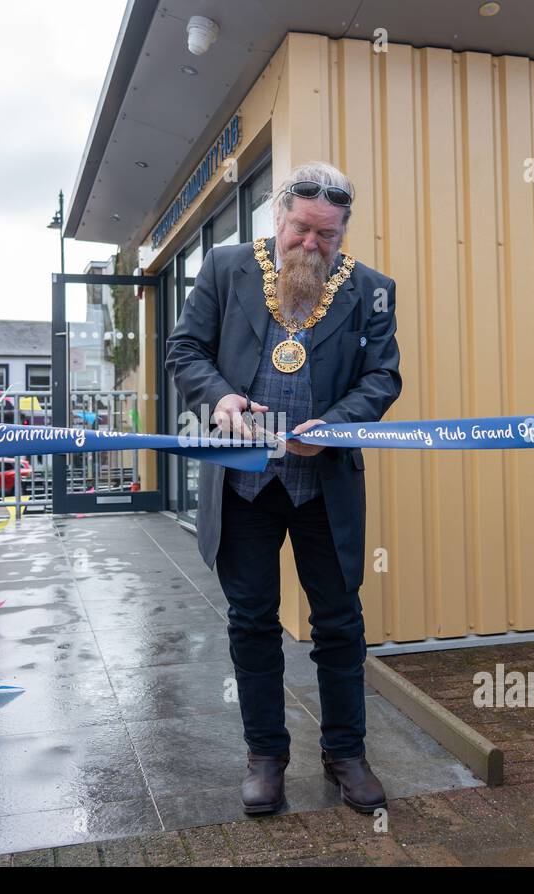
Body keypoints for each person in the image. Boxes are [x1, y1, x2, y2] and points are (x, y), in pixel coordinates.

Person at [166, 161, 401, 815]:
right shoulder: (224, 268)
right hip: (245, 484)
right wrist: (220, 400)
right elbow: (185, 349)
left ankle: (346, 753)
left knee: (339, 623)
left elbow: (382, 378)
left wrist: (339, 425)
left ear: (343, 232)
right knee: (251, 622)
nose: (312, 245)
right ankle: (266, 756)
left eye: (327, 235)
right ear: (279, 218)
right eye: (302, 229)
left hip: (323, 485)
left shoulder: (372, 290)